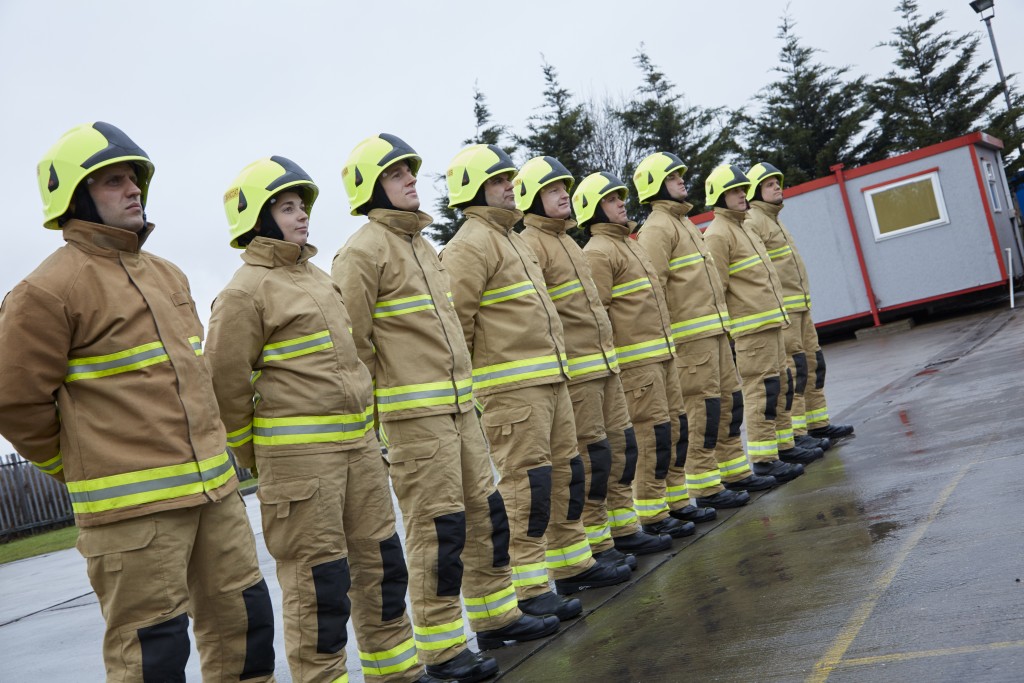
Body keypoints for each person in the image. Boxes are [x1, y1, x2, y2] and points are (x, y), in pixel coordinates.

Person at [0, 122, 276, 682]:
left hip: (215, 497)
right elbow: (14, 402)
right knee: (154, 653)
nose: (133, 190)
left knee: (246, 625)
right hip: (133, 518)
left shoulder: (169, 274)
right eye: (112, 181)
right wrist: (81, 463)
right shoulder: (45, 291)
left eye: (134, 178)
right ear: (75, 196)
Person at [206, 156, 442, 683]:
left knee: (382, 566)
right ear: (257, 218)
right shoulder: (244, 291)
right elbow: (225, 387)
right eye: (287, 208)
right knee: (320, 587)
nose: (301, 216)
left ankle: (397, 671)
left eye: (302, 206)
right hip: (299, 467)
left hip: (358, 452)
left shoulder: (316, 277)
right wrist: (258, 454)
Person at [332, 134, 560, 674]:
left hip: (460, 412)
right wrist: (378, 421)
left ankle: (496, 616)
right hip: (415, 421)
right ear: (370, 187)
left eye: (412, 171)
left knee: (487, 516)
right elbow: (353, 348)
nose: (412, 179)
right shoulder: (362, 252)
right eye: (397, 174)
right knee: (439, 532)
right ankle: (441, 647)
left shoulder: (422, 247)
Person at [440, 144, 631, 601]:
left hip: (551, 379)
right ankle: (528, 585)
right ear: (473, 190)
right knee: (528, 486)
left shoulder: (510, 240)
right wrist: (479, 386)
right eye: (498, 181)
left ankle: (571, 564)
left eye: (510, 179)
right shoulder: (469, 245)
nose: (510, 186)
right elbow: (457, 326)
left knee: (566, 475)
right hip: (510, 387)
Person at [516, 155, 673, 566]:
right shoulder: (534, 243)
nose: (562, 194)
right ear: (532, 197)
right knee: (590, 461)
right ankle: (594, 544)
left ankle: (620, 531)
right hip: (579, 373)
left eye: (563, 188)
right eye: (552, 189)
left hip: (605, 367)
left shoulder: (568, 241)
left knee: (619, 452)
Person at [633, 152, 785, 506]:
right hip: (691, 340)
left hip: (714, 333)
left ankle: (733, 472)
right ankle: (705, 486)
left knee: (727, 406)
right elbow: (654, 287)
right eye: (673, 177)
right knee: (702, 411)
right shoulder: (656, 228)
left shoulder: (682, 223)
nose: (682, 181)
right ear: (656, 185)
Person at [575, 171, 697, 538]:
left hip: (660, 355)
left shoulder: (629, 243)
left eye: (620, 197)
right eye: (611, 199)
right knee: (650, 437)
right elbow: (599, 313)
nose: (621, 203)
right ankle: (651, 513)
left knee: (674, 429)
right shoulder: (598, 251)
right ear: (594, 209)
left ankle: (672, 502)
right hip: (635, 364)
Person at [702, 164, 820, 482]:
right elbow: (718, 287)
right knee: (760, 392)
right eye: (736, 191)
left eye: (744, 189)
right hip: (750, 329)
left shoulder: (743, 227)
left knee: (778, 385)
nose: (743, 195)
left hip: (769, 323)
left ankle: (782, 446)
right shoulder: (718, 234)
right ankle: (765, 457)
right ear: (719, 197)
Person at [744, 162, 854, 445]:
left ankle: (817, 424)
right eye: (769, 184)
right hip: (785, 311)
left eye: (776, 182)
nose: (777, 187)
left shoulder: (774, 219)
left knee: (814, 363)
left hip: (800, 308)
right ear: (756, 191)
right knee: (795, 371)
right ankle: (797, 432)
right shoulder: (753, 220)